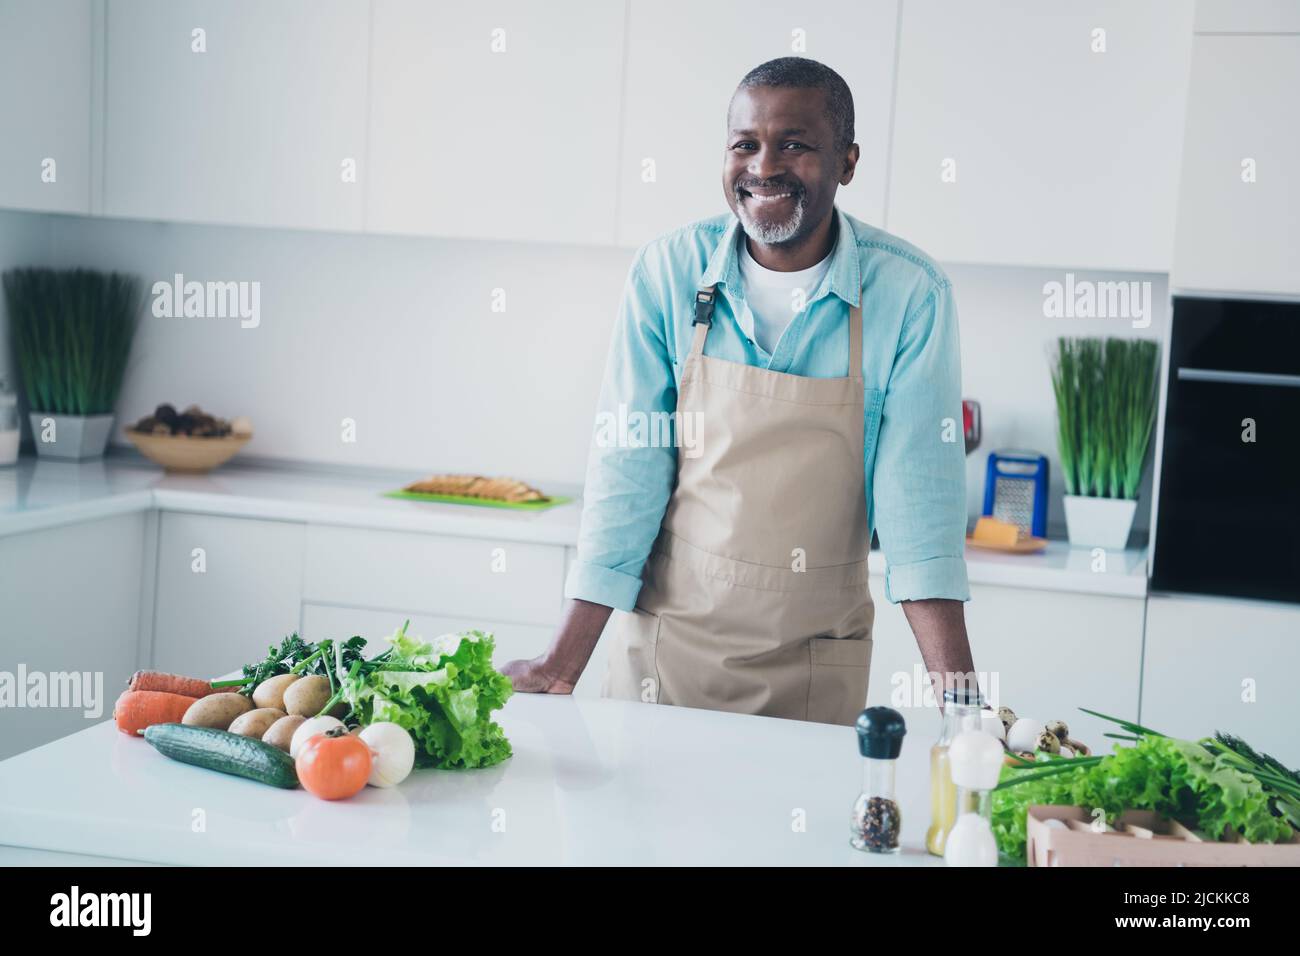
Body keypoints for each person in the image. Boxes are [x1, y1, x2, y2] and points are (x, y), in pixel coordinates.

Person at [502, 57, 976, 725]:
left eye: (795, 144)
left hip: (814, 668)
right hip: (665, 661)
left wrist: (965, 715)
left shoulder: (909, 295)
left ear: (847, 161)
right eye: (745, 145)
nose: (764, 166)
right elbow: (627, 474)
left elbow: (919, 515)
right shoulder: (668, 272)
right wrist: (561, 664)